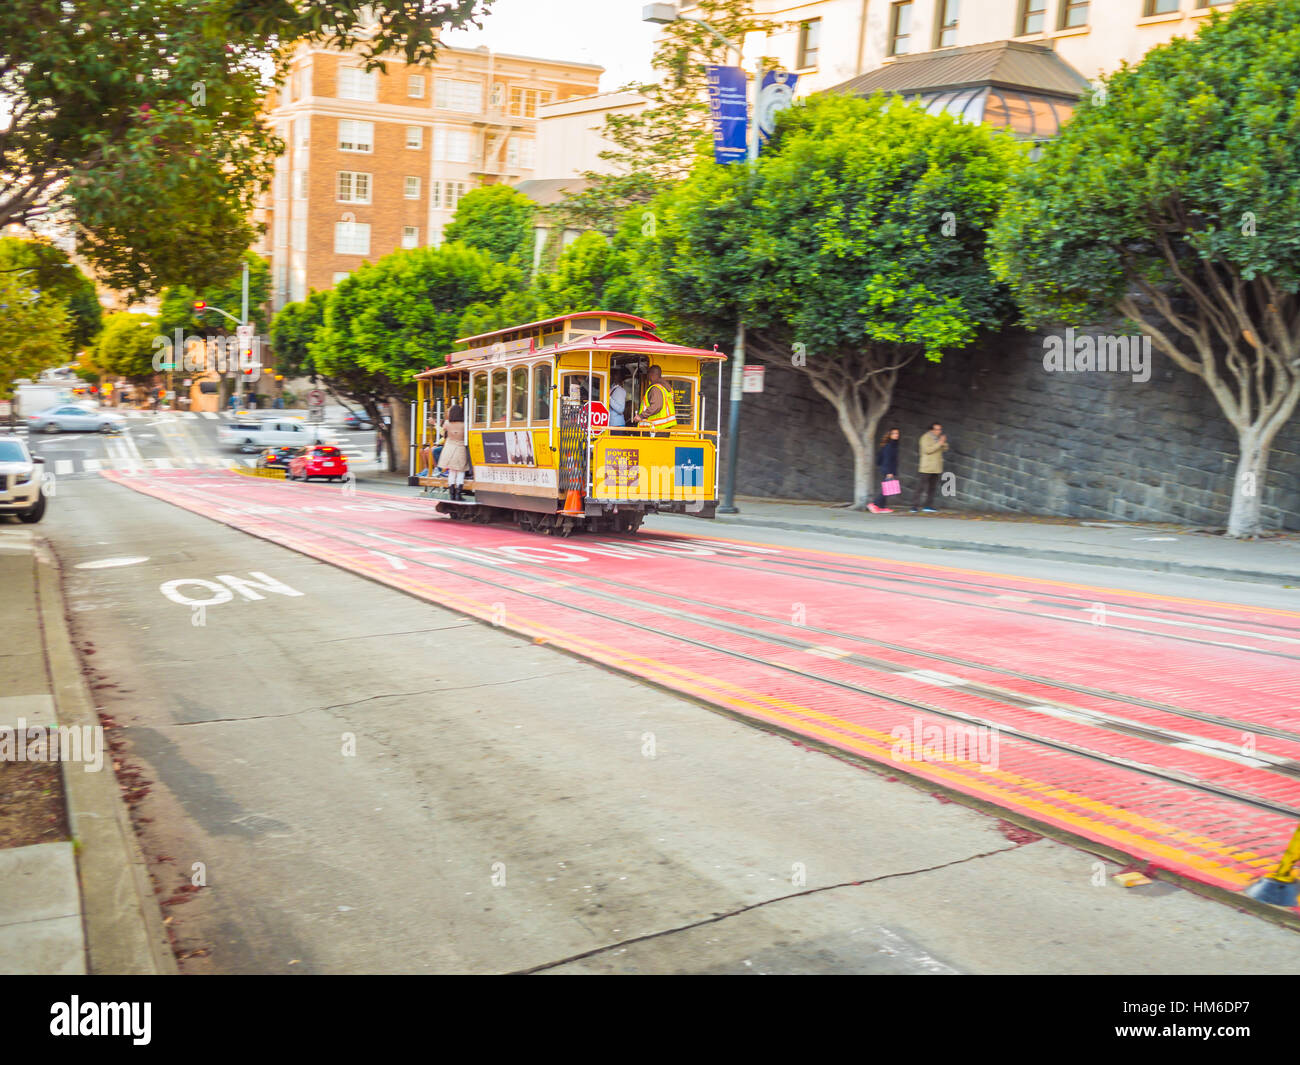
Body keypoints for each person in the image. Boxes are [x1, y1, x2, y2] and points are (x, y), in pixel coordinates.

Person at [911, 422, 948, 513]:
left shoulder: (938, 438)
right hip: (926, 467)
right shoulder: (925, 437)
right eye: (936, 429)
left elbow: (945, 449)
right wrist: (940, 443)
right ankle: (914, 506)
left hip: (936, 467)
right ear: (931, 430)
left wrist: (943, 442)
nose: (938, 431)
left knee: (932, 488)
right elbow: (927, 450)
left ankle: (928, 506)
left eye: (940, 429)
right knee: (920, 487)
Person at [440, 403, 471, 501]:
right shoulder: (465, 424)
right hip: (460, 448)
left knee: (452, 472)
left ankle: (452, 494)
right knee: (460, 472)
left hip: (449, 449)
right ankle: (458, 494)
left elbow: (442, 432)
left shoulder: (447, 423)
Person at [635, 365, 676, 434]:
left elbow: (656, 406)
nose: (647, 376)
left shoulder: (655, 389)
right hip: (662, 428)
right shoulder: (665, 388)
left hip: (654, 429)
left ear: (651, 374)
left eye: (648, 373)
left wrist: (641, 416)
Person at [868, 427, 901, 514]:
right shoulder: (889, 446)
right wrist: (889, 472)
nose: (896, 435)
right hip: (888, 470)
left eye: (897, 433)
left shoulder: (893, 445)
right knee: (886, 489)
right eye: (894, 433)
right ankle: (874, 504)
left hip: (889, 469)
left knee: (888, 489)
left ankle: (882, 507)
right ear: (890, 435)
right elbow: (887, 460)